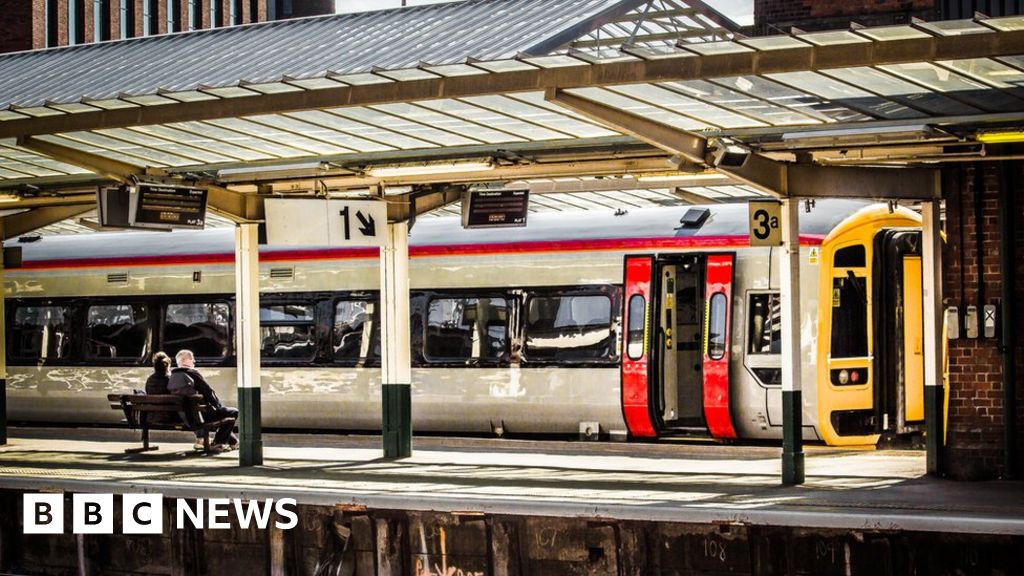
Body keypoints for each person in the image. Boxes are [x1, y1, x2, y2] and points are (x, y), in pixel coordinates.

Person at [168, 349, 239, 453]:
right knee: (232, 412)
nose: (194, 362)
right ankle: (218, 443)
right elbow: (208, 392)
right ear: (184, 361)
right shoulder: (192, 374)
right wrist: (217, 406)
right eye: (191, 359)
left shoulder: (172, 377)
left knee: (226, 416)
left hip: (186, 415)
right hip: (201, 415)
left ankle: (233, 442)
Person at [143, 352, 177, 425]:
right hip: (169, 417)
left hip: (151, 417)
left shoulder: (150, 380)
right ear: (167, 366)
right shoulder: (170, 380)